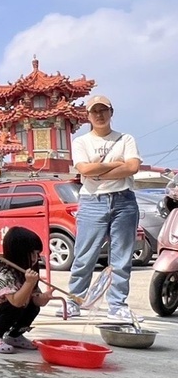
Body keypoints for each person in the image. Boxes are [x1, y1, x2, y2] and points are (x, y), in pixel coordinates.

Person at [60, 95, 142, 321]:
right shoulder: (81, 142)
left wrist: (99, 172)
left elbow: (132, 167)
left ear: (111, 112)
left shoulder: (125, 139)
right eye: (94, 111)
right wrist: (116, 164)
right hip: (92, 202)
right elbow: (84, 170)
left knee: (121, 258)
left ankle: (117, 305)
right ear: (87, 116)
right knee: (84, 255)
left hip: (124, 201)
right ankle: (75, 301)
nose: (99, 115)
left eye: (103, 110)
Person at [0, 227, 52, 354]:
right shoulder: (3, 275)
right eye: (33, 253)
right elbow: (16, 302)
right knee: (14, 306)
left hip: (10, 311)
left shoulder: (27, 273)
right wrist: (29, 283)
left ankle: (14, 335)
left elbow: (34, 299)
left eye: (37, 253)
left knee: (33, 307)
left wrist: (42, 299)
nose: (36, 258)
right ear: (19, 253)